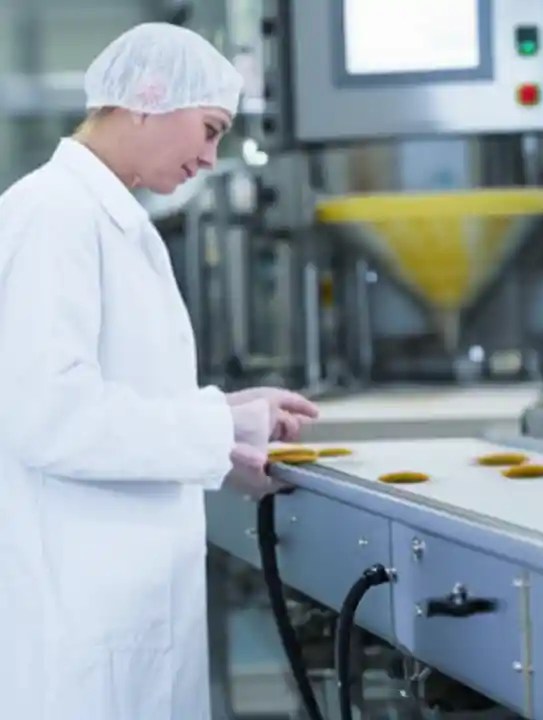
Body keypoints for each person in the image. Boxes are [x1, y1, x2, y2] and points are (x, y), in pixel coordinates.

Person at [0, 23, 319, 720]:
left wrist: (224, 428)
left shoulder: (106, 216)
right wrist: (214, 427)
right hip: (80, 629)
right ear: (146, 99)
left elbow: (118, 397)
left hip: (120, 610)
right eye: (208, 129)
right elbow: (49, 417)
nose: (210, 158)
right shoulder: (54, 214)